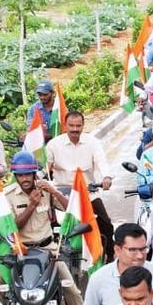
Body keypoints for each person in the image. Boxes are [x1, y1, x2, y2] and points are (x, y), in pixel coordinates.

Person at [0, 152, 84, 305]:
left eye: (28, 174)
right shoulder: (7, 196)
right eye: (21, 175)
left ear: (34, 174)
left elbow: (68, 208)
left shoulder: (45, 191)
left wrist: (54, 191)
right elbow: (11, 227)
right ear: (15, 176)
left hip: (47, 250)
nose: (25, 178)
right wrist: (32, 206)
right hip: (18, 252)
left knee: (71, 288)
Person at [46, 110, 115, 261]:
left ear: (83, 126)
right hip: (62, 194)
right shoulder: (53, 145)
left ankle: (110, 256)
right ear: (65, 126)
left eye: (78, 126)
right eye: (71, 125)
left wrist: (107, 177)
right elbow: (45, 168)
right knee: (50, 224)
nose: (75, 129)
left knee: (106, 225)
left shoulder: (92, 142)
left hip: (88, 193)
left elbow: (101, 161)